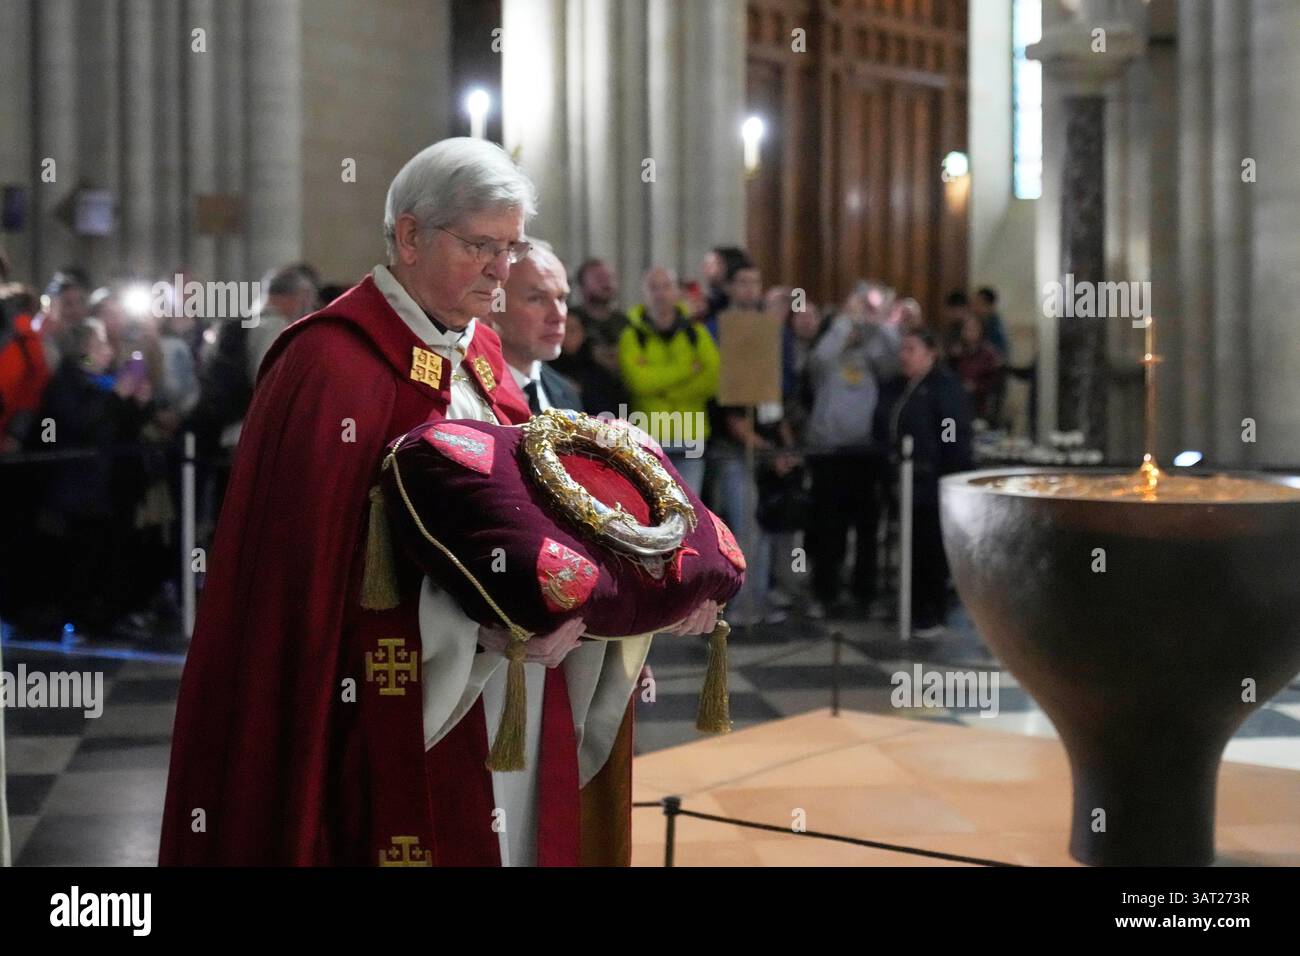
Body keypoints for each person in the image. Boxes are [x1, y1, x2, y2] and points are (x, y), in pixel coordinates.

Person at [160, 137, 715, 867]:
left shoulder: (484, 359)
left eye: (512, 247)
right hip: (390, 714)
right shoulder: (328, 365)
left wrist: (614, 619)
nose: (502, 268)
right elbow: (306, 592)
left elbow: (541, 533)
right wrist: (479, 634)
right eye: (482, 245)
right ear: (409, 236)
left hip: (513, 703)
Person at [802, 284, 899, 618]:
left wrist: (878, 323)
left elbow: (891, 363)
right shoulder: (829, 349)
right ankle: (825, 592)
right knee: (829, 526)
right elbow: (816, 363)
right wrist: (846, 322)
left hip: (866, 452)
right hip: (829, 450)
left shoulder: (873, 352)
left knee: (867, 527)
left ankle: (865, 593)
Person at [875, 328, 973, 637]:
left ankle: (931, 610)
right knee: (911, 547)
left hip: (932, 484)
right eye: (901, 349)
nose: (903, 356)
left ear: (931, 353)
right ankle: (910, 603)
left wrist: (945, 477)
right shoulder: (898, 386)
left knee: (929, 548)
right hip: (903, 482)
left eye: (911, 349)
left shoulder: (944, 389)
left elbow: (952, 437)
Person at [618, 267, 719, 494]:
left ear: (676, 292)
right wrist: (687, 369)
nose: (661, 294)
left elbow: (711, 381)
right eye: (654, 287)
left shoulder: (697, 334)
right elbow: (638, 382)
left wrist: (664, 391)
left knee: (691, 508)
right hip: (649, 435)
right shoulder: (631, 337)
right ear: (644, 293)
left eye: (666, 287)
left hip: (690, 434)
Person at [491, 239, 580, 414]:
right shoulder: (466, 391)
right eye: (536, 299)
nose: (558, 316)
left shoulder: (566, 394)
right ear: (493, 303)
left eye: (562, 299)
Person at [950, 314, 1004, 424]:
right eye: (966, 329)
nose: (969, 332)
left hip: (981, 406)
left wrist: (976, 387)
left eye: (973, 329)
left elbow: (995, 383)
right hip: (958, 405)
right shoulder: (956, 353)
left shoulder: (989, 354)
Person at [973, 286, 1009, 357]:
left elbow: (1001, 352)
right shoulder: (979, 321)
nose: (975, 306)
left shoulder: (995, 325)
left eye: (978, 302)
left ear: (989, 305)